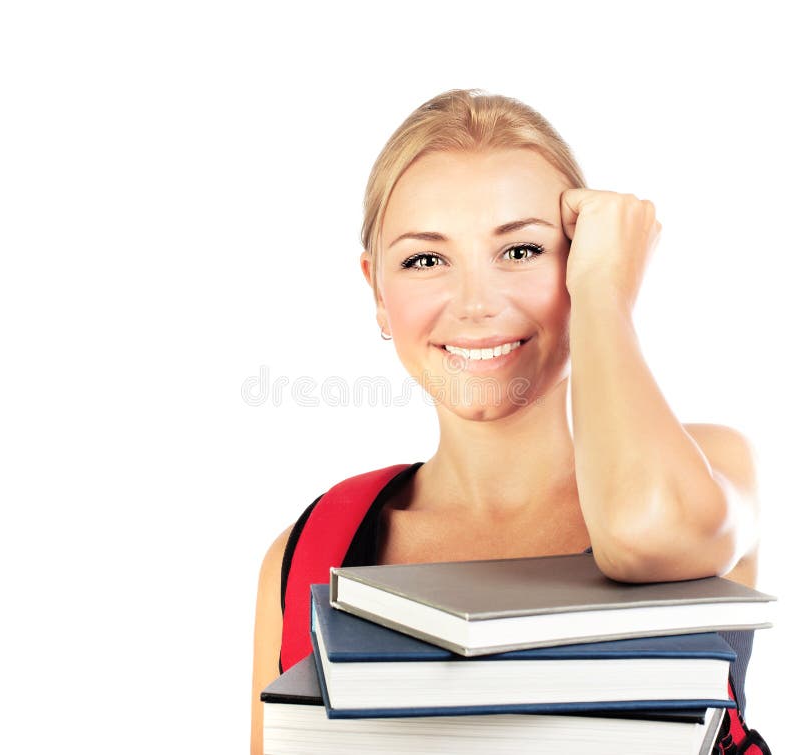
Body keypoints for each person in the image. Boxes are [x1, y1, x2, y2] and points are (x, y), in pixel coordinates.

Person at [249, 88, 763, 754]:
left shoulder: (709, 467)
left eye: (520, 251)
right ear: (378, 291)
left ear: (578, 261)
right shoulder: (308, 550)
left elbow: (642, 531)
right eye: (425, 259)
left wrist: (605, 293)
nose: (475, 303)